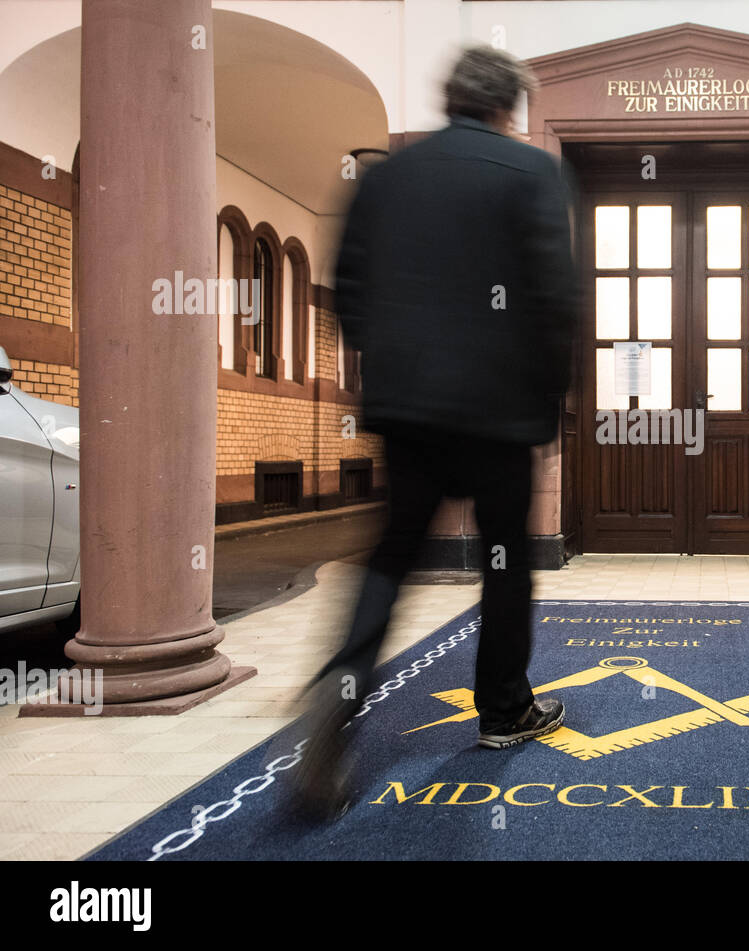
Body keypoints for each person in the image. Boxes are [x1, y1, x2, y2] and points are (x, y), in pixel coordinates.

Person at [289, 45, 579, 821]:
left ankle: (339, 690)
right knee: (505, 558)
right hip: (499, 410)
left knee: (391, 555)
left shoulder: (385, 177)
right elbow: (556, 299)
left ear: (450, 99)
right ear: (508, 109)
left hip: (408, 404)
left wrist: (385, 370)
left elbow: (348, 287)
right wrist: (551, 402)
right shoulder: (533, 176)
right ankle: (504, 709)